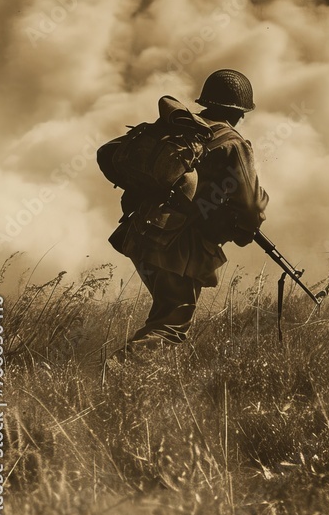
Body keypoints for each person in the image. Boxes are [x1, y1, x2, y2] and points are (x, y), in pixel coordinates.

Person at [109, 69, 268, 348]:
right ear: (240, 112)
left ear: (206, 102)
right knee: (169, 326)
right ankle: (121, 374)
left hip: (140, 236)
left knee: (165, 314)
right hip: (177, 247)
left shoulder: (179, 131)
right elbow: (251, 206)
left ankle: (133, 381)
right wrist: (244, 227)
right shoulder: (233, 142)